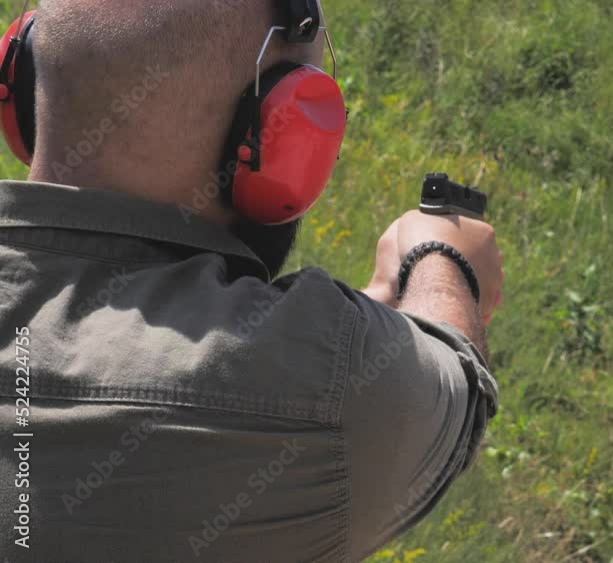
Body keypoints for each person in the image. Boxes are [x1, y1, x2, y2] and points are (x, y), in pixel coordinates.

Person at [0, 1, 502, 562]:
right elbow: (452, 384)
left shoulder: (311, 384)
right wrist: (443, 259)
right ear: (282, 135)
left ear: (21, 82)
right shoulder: (336, 392)